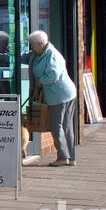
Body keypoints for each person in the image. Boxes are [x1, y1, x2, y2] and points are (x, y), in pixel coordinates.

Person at [26, 30, 77, 167]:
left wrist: (41, 81)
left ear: (40, 44)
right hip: (62, 94)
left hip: (60, 95)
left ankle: (63, 157)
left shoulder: (52, 55)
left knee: (57, 125)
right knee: (65, 126)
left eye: (33, 45)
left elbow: (53, 75)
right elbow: (26, 58)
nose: (31, 48)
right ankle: (70, 157)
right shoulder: (39, 53)